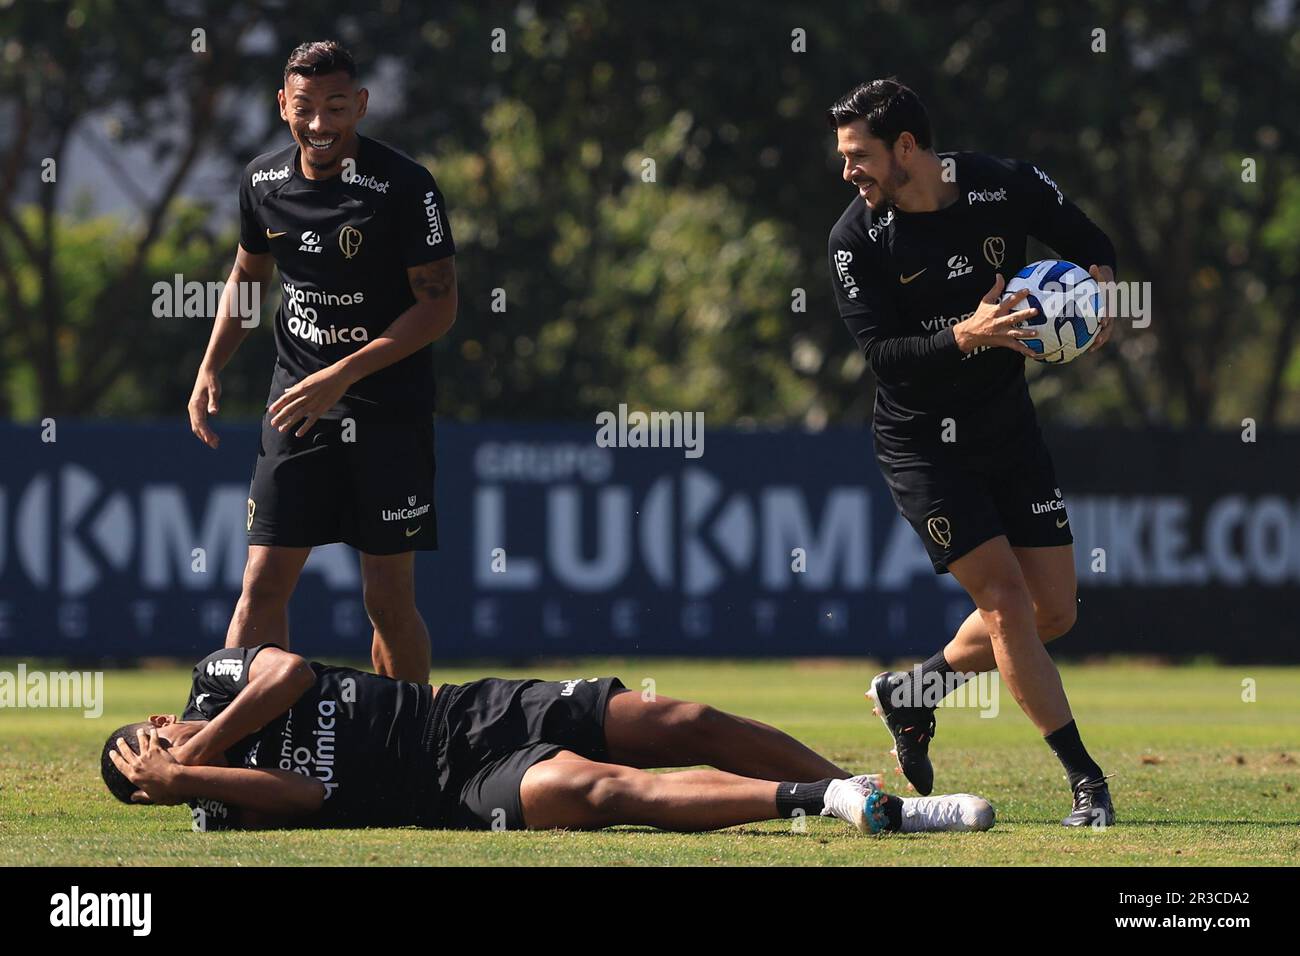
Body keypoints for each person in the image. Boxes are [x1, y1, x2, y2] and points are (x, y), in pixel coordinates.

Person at [825, 77, 1116, 826]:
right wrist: (966, 335)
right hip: (923, 445)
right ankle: (1086, 782)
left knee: (1055, 610)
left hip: (1006, 426)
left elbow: (1089, 242)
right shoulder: (856, 239)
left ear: (908, 149)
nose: (849, 171)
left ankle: (912, 692)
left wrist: (1103, 293)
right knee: (1007, 603)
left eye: (859, 155)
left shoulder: (1001, 185)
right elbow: (885, 356)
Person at [187, 40, 456, 682]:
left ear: (359, 106)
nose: (319, 124)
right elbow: (249, 277)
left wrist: (343, 372)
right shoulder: (262, 183)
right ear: (283, 104)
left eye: (335, 107)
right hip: (295, 405)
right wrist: (210, 364)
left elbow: (438, 309)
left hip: (388, 410)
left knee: (386, 599)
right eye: (304, 107)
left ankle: (409, 752)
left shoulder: (405, 185)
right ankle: (240, 746)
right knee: (262, 583)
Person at [101, 643, 994, 835]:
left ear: (156, 726)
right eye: (145, 784)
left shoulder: (216, 686)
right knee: (605, 794)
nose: (160, 766)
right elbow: (313, 799)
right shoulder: (216, 807)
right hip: (445, 793)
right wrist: (189, 786)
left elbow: (290, 674)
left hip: (469, 712)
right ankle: (840, 802)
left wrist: (198, 750)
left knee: (683, 723)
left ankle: (891, 806)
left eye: (147, 753)